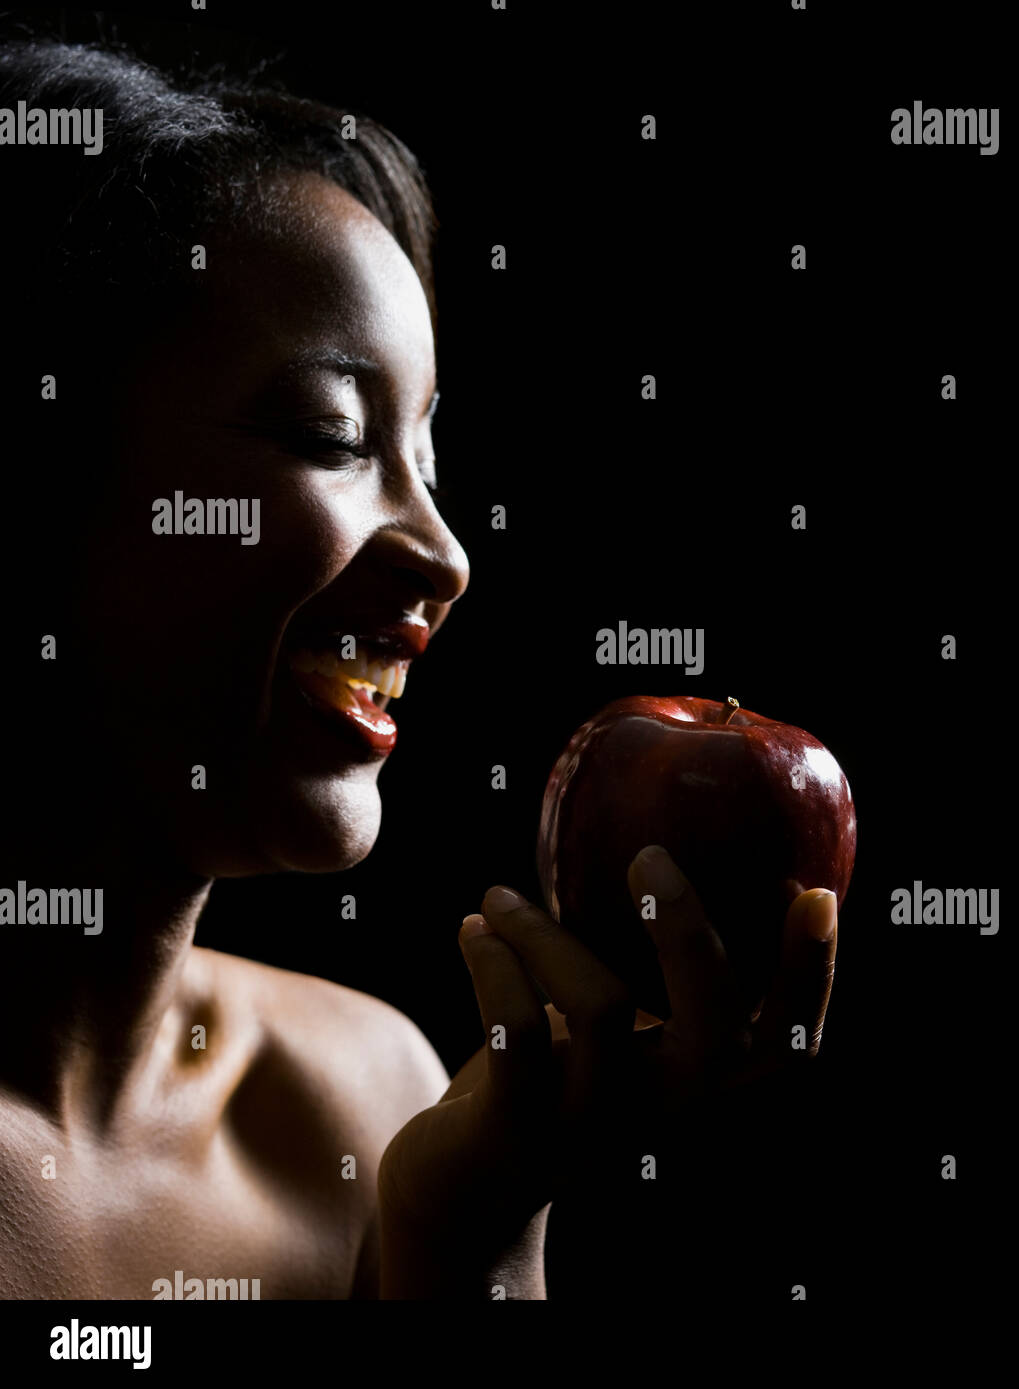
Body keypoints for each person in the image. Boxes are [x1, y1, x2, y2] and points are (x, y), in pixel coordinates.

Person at [0, 38, 838, 1299]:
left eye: (429, 464)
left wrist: (471, 1245)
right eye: (332, 437)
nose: (444, 554)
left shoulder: (377, 1104)